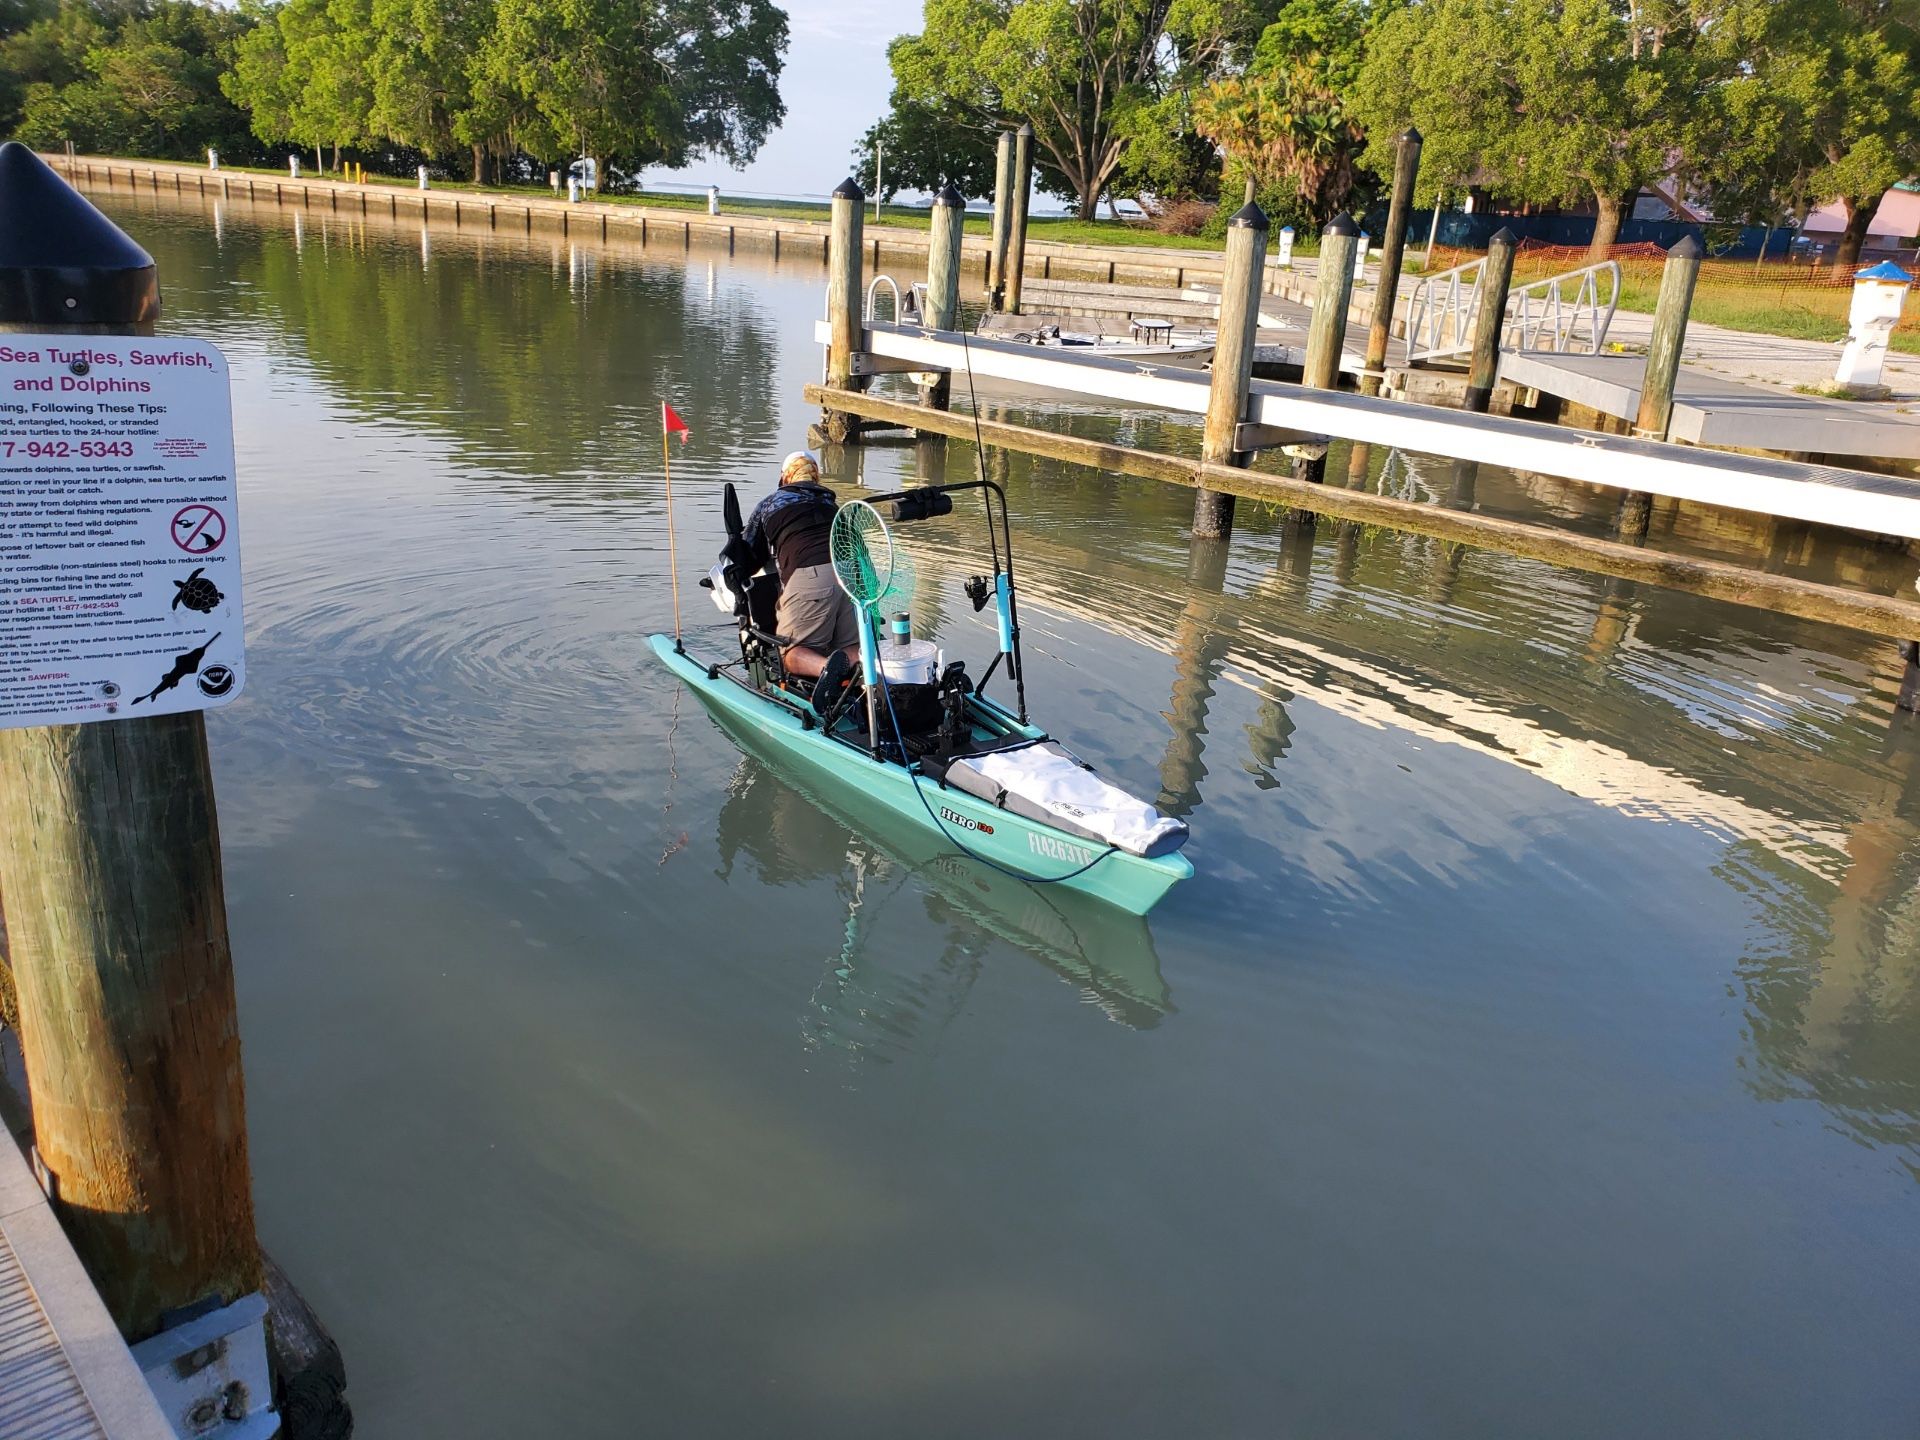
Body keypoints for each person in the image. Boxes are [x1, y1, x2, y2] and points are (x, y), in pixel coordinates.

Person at [743, 450, 859, 680]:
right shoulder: (831, 503)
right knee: (853, 646)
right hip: (851, 575)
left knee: (790, 653)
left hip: (812, 575)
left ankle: (828, 673)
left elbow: (748, 552)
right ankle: (858, 682)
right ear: (815, 476)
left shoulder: (770, 504)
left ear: (786, 476)